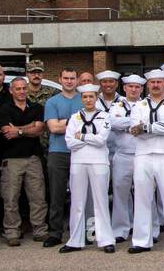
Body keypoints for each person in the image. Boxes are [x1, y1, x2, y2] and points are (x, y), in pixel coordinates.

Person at [127, 70, 164, 254]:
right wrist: (160, 129)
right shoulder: (139, 105)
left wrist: (145, 127)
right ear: (147, 84)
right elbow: (133, 129)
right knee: (142, 199)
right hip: (143, 155)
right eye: (152, 82)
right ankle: (141, 241)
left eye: (159, 82)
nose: (155, 85)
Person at [63, 83, 114, 253]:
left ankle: (106, 239)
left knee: (101, 201)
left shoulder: (104, 116)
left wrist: (83, 136)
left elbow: (102, 140)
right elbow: (70, 142)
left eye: (91, 96)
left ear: (96, 97)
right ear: (81, 99)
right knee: (77, 201)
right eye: (85, 97)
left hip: (99, 161)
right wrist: (90, 138)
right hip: (78, 162)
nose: (88, 100)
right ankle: (75, 240)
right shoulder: (75, 117)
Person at [0, 76, 48, 246]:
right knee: (10, 198)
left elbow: (39, 129)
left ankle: (40, 230)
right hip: (11, 160)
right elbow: (6, 131)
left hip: (33, 158)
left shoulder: (37, 107)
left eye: (24, 88)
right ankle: (12, 232)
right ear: (11, 90)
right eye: (17, 89)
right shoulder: (4, 109)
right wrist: (29, 127)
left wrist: (17, 130)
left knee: (38, 197)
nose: (21, 91)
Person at [40, 68, 80, 248]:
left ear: (77, 80)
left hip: (80, 152)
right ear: (60, 79)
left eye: (72, 78)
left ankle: (78, 231)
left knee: (79, 195)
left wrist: (63, 121)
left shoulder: (84, 98)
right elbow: (53, 128)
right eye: (66, 78)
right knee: (57, 194)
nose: (69, 81)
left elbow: (89, 125)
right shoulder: (52, 102)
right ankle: (55, 232)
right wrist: (75, 122)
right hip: (58, 152)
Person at [109, 74, 147, 243]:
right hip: (123, 154)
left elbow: (148, 122)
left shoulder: (146, 104)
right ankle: (120, 229)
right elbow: (113, 123)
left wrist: (129, 123)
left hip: (143, 153)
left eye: (137, 87)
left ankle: (148, 229)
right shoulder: (116, 105)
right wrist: (135, 123)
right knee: (120, 192)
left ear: (141, 89)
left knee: (145, 193)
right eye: (130, 86)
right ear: (124, 88)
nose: (133, 89)